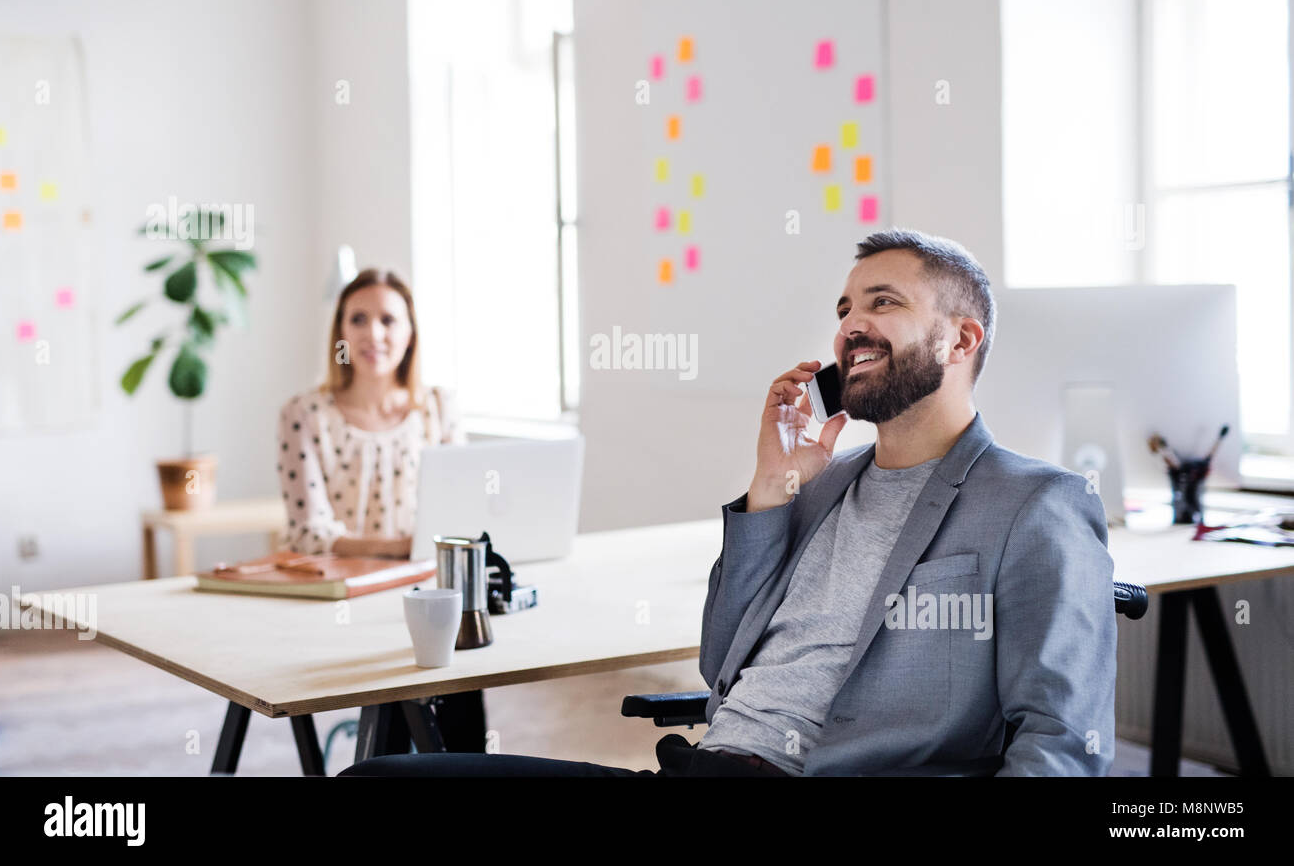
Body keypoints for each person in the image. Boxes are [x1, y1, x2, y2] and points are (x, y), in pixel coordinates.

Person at [339, 228, 1116, 777]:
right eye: (844, 310)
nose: (851, 327)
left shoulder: (1034, 504)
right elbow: (723, 663)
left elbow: (1061, 739)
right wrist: (772, 486)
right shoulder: (821, 488)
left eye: (883, 303)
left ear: (960, 340)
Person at [278, 267, 486, 751]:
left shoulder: (438, 407)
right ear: (340, 332)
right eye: (359, 319)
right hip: (350, 597)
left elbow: (465, 508)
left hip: (432, 590)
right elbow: (310, 532)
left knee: (461, 688)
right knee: (404, 694)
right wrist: (403, 547)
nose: (374, 333)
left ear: (410, 333)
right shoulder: (305, 414)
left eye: (389, 320)